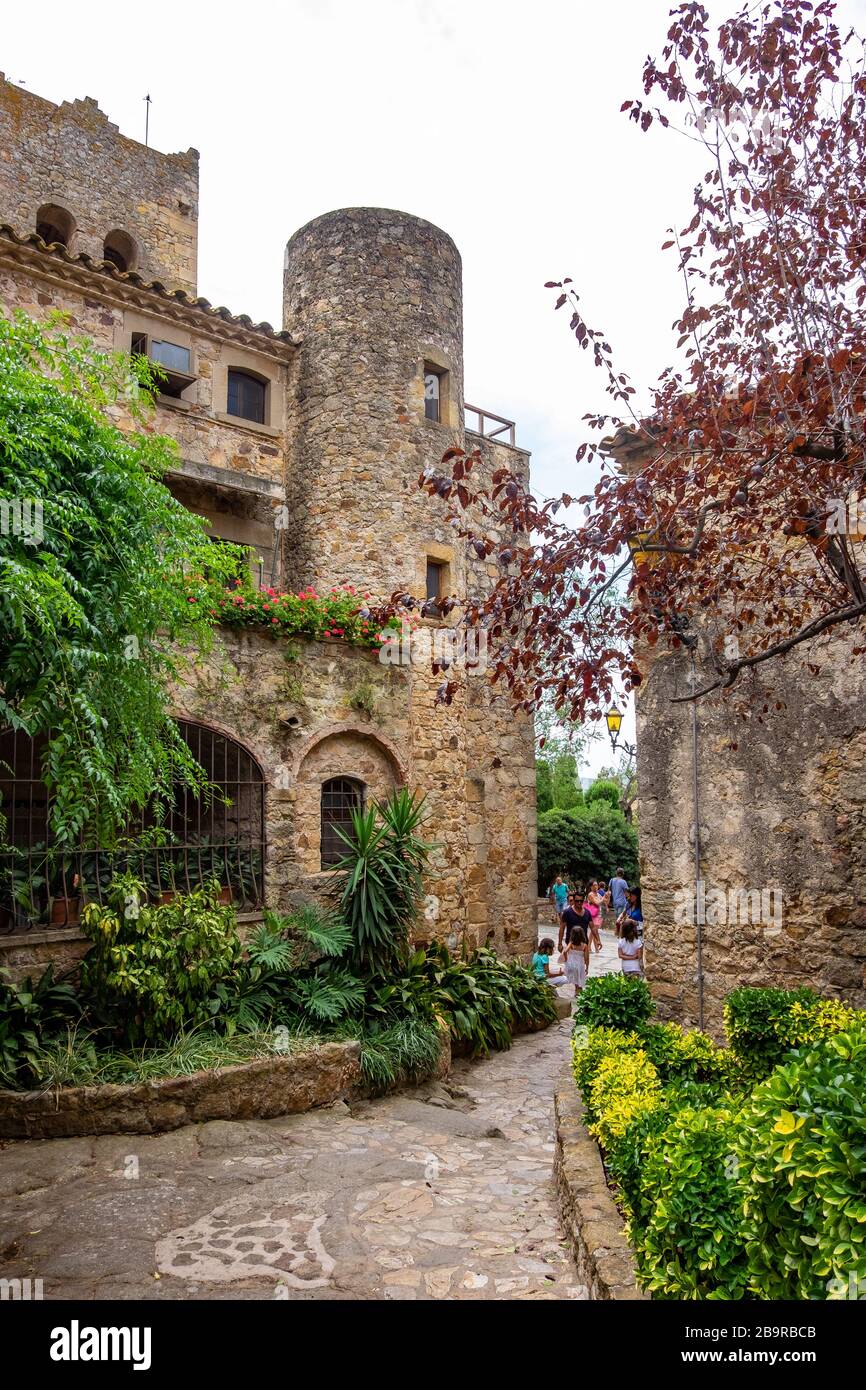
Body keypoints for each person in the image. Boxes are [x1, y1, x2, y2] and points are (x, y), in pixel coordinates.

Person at [563, 922, 590, 997]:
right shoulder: (584, 946)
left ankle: (576, 991)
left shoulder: (571, 944)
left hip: (571, 964)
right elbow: (587, 958)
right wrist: (587, 968)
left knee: (575, 978)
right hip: (580, 965)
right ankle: (579, 993)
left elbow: (565, 951)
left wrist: (566, 960)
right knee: (580, 979)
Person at [583, 881, 603, 953]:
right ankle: (589, 947)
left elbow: (605, 901)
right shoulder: (591, 894)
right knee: (593, 930)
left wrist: (607, 896)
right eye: (594, 885)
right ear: (591, 887)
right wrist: (603, 899)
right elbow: (597, 903)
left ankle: (596, 948)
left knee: (595, 931)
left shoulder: (598, 894)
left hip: (598, 914)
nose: (596, 886)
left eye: (596, 885)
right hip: (593, 915)